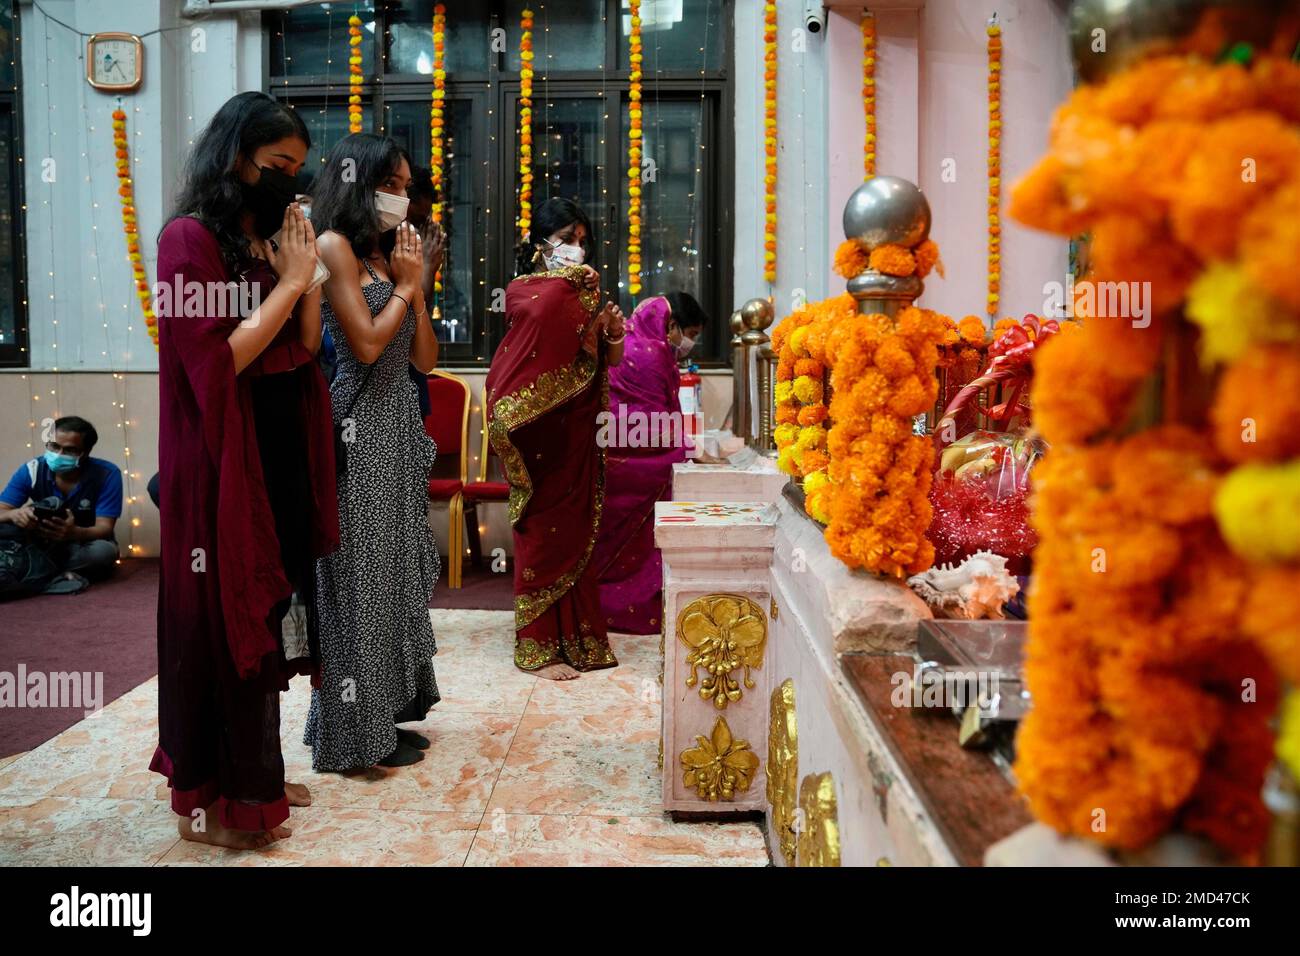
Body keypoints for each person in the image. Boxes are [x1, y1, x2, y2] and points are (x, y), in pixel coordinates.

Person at [151, 91, 339, 850]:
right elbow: (213, 364)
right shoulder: (185, 240)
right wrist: (291, 283)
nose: (288, 180)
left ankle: (255, 772)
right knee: (215, 624)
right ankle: (209, 798)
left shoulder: (256, 236)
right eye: (276, 165)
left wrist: (304, 277)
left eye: (297, 168)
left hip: (275, 450)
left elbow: (302, 343)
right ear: (234, 155)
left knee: (262, 616)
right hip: (218, 460)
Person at [307, 134, 442, 771]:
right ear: (359, 183)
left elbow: (425, 359)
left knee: (394, 577)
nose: (404, 197)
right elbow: (361, 346)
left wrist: (418, 286)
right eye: (395, 184)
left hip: (398, 426)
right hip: (357, 428)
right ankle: (349, 738)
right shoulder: (332, 245)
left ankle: (382, 717)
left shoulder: (388, 256)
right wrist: (410, 288)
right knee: (357, 583)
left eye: (408, 186)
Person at [484, 197, 627, 681]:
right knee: (540, 529)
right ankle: (539, 645)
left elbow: (611, 358)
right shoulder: (520, 290)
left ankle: (580, 638)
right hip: (534, 426)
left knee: (575, 527)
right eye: (566, 239)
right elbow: (536, 335)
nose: (575, 249)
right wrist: (578, 296)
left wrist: (610, 332)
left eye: (582, 241)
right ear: (541, 243)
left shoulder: (586, 293)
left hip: (576, 426)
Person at [593, 292, 708, 634]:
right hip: (645, 465)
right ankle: (638, 603)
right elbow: (664, 421)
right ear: (672, 326)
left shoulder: (624, 341)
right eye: (692, 334)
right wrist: (685, 451)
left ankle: (598, 601)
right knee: (676, 487)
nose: (690, 343)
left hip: (608, 459)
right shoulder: (656, 352)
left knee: (607, 543)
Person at [0, 416, 122, 593]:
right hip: (39, 541)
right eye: (54, 446)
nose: (58, 454)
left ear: (85, 452)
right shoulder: (31, 469)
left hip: (82, 542)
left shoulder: (107, 473)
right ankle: (52, 574)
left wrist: (73, 533)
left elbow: (105, 528)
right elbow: (2, 509)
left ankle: (32, 572)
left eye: (69, 450)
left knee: (104, 552)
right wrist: (15, 514)